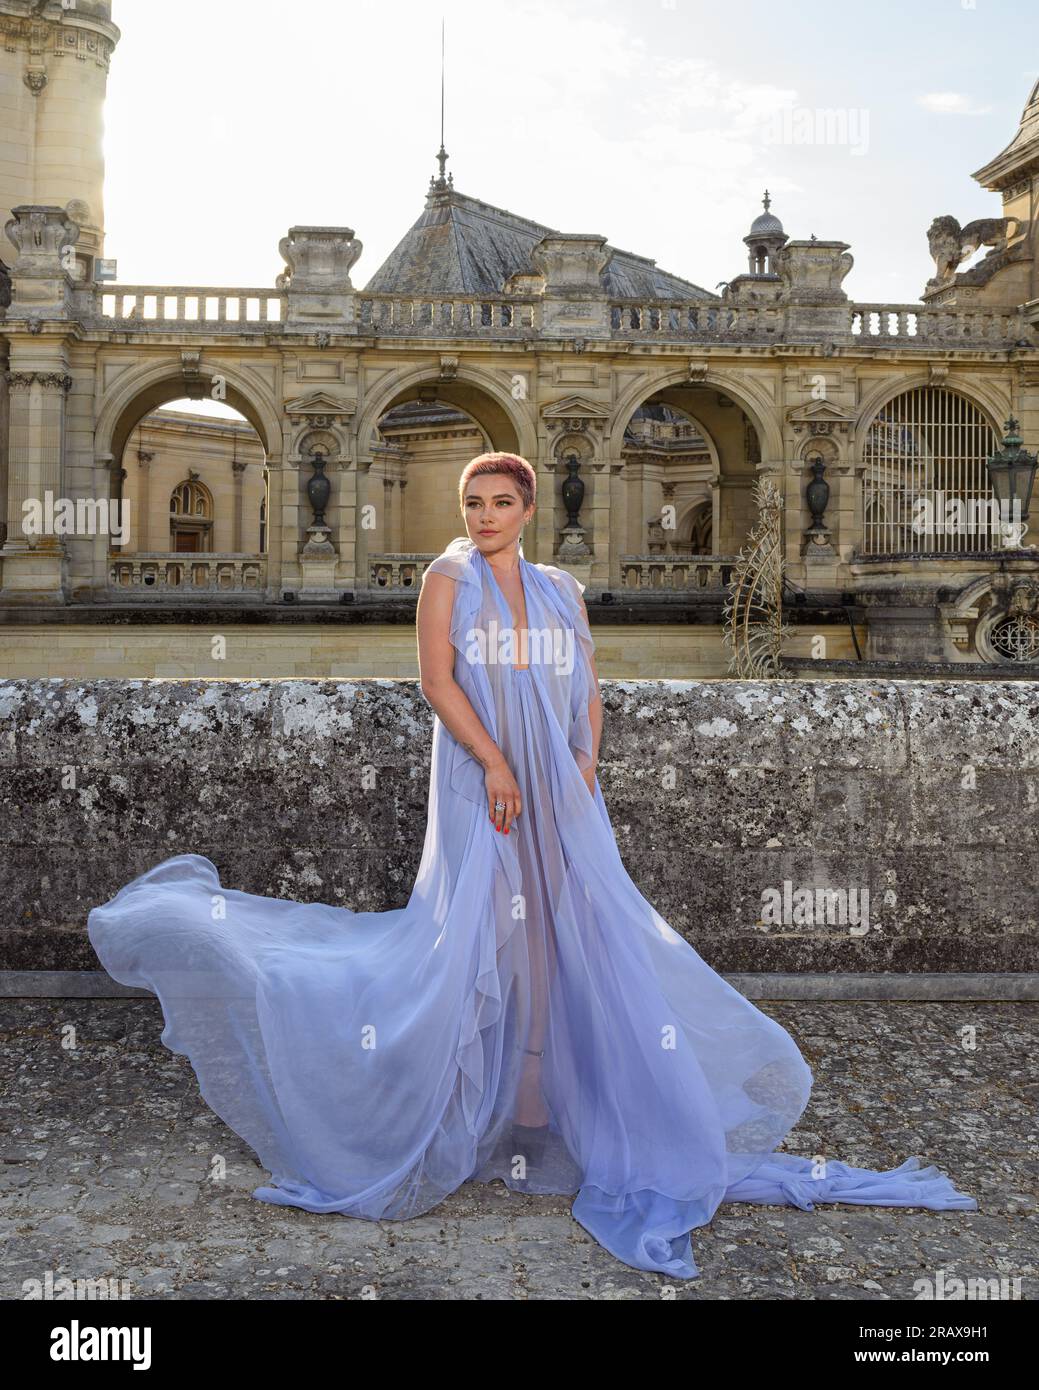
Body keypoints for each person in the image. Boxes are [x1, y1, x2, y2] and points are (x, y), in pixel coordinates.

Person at [87, 450, 977, 1281]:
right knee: (483, 925)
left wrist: (582, 761)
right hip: (486, 778)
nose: (482, 516)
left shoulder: (559, 588)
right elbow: (437, 682)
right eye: (471, 503)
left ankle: (538, 1096)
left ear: (528, 508)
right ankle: (479, 1100)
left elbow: (586, 684)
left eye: (499, 503)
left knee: (564, 923)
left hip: (558, 778)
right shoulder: (446, 578)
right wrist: (500, 764)